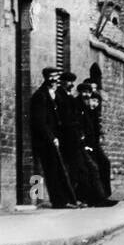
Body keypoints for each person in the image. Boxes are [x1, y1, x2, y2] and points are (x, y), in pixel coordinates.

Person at [57, 72, 113, 206]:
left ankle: (99, 197)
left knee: (92, 168)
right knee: (87, 170)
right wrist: (83, 140)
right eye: (84, 92)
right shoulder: (75, 103)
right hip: (77, 143)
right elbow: (72, 123)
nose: (86, 95)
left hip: (83, 143)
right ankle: (94, 199)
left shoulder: (85, 106)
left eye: (88, 93)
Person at [29, 67, 76, 208]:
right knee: (53, 172)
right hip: (45, 141)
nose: (55, 80)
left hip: (55, 139)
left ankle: (67, 200)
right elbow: (40, 121)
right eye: (52, 77)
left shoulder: (55, 95)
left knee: (59, 170)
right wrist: (51, 137)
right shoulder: (40, 96)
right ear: (46, 78)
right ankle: (59, 202)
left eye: (56, 77)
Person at [77, 81, 114, 199]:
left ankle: (105, 194)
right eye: (93, 101)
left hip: (93, 144)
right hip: (85, 145)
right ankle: (98, 196)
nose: (95, 104)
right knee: (92, 168)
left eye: (97, 102)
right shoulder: (83, 110)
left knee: (104, 163)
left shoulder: (93, 113)